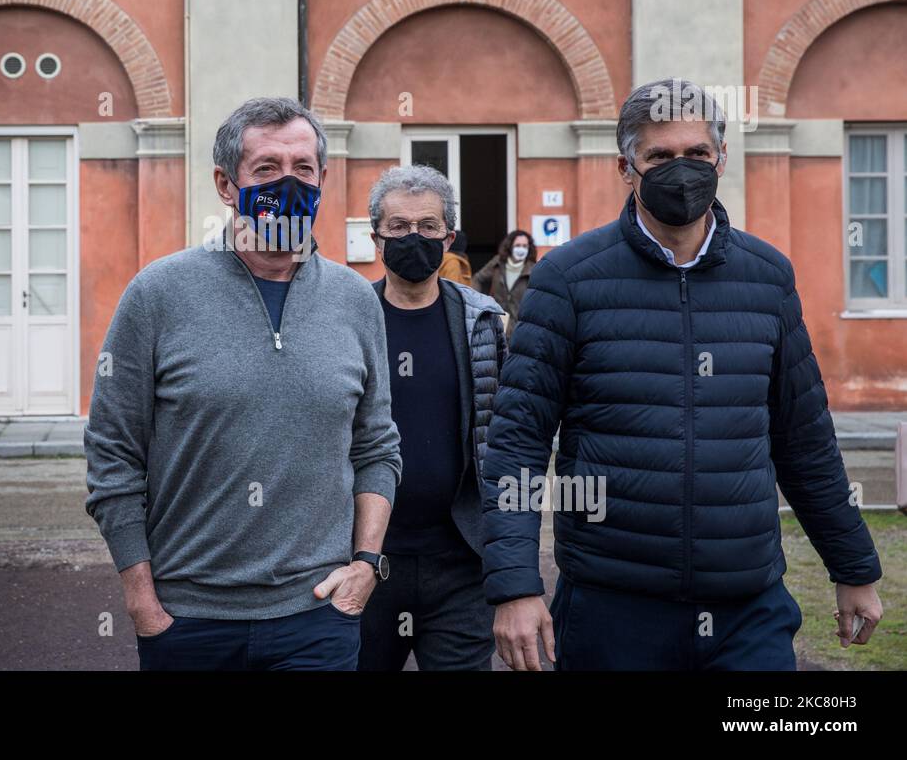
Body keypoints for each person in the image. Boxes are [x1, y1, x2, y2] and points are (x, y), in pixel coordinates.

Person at [480, 77, 883, 671]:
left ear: (721, 158)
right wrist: (516, 585)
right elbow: (517, 441)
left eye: (697, 154)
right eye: (660, 157)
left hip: (747, 608)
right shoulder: (568, 279)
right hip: (612, 607)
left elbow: (805, 439)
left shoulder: (767, 277)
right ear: (626, 167)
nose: (682, 169)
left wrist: (854, 568)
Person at [84, 96, 402, 671]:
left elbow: (377, 444)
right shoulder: (157, 295)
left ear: (323, 178)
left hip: (318, 616)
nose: (289, 183)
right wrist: (142, 602)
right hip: (188, 621)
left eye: (303, 169)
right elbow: (112, 454)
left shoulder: (356, 300)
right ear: (226, 185)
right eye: (267, 170)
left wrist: (365, 564)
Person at [358, 165, 506, 671]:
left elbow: (503, 439)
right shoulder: (348, 318)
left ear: (450, 237)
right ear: (376, 235)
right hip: (363, 559)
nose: (413, 238)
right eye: (398, 227)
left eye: (427, 226)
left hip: (460, 562)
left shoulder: (483, 322)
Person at [473, 229, 536, 340]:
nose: (521, 249)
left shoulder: (533, 270)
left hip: (521, 330)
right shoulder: (498, 263)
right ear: (510, 246)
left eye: (525, 246)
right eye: (518, 245)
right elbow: (477, 279)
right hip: (496, 326)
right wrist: (479, 303)